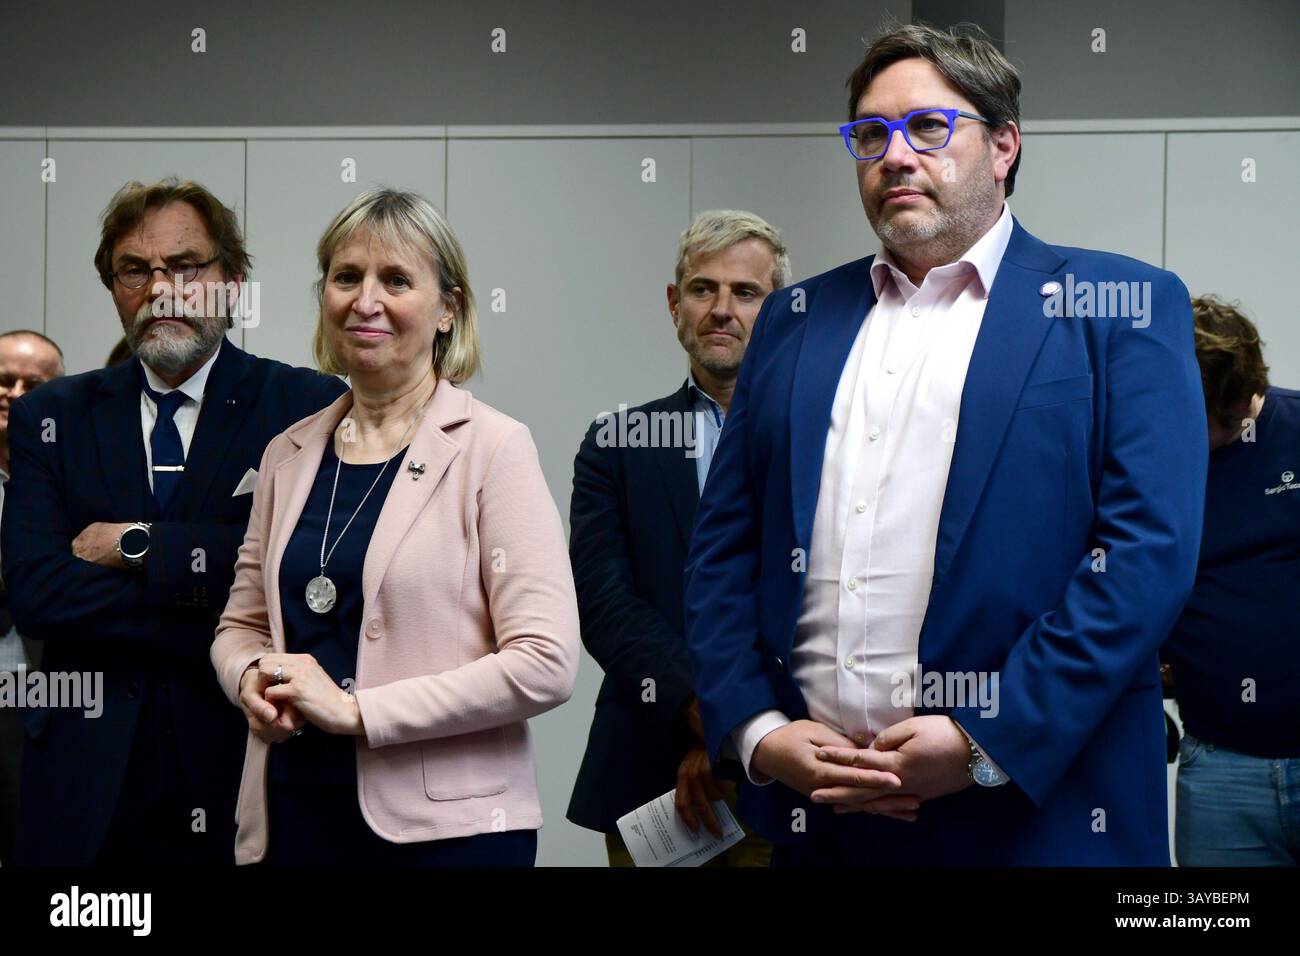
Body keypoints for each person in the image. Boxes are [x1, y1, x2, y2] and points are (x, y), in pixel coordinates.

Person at [683, 23, 1206, 866]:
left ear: (1003, 145)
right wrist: (756, 728)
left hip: (1044, 817)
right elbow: (721, 552)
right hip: (827, 819)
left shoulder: (1120, 305)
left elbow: (1148, 558)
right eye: (870, 134)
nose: (895, 154)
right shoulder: (795, 320)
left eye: (928, 127)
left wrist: (982, 739)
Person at [211, 188, 579, 866]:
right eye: (346, 277)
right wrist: (250, 677)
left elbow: (546, 664)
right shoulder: (287, 454)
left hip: (449, 834)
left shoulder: (493, 448)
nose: (365, 300)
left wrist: (361, 712)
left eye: (397, 280)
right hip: (295, 811)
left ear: (449, 309)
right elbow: (241, 627)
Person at [0, 178, 348, 866]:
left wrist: (139, 545)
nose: (161, 289)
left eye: (187, 266)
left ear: (234, 281)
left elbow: (308, 579)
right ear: (114, 288)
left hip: (243, 764)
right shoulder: (55, 416)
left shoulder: (304, 406)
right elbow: (37, 595)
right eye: (136, 269)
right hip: (85, 780)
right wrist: (219, 584)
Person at [567, 210, 787, 866]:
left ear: (778, 310)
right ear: (674, 303)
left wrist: (738, 733)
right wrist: (709, 717)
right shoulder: (616, 443)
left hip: (788, 772)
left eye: (746, 293)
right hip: (650, 775)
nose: (722, 310)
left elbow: (821, 595)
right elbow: (606, 606)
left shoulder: (820, 436)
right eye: (702, 289)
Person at [1162, 295, 1300, 866]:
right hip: (1219, 765)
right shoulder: (1148, 453)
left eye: (1225, 421)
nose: (1209, 437)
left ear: (1250, 392)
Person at [0, 330, 65, 865]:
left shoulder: (74, 479)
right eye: (4, 380)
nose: (15, 393)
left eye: (32, 384)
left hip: (49, 689)